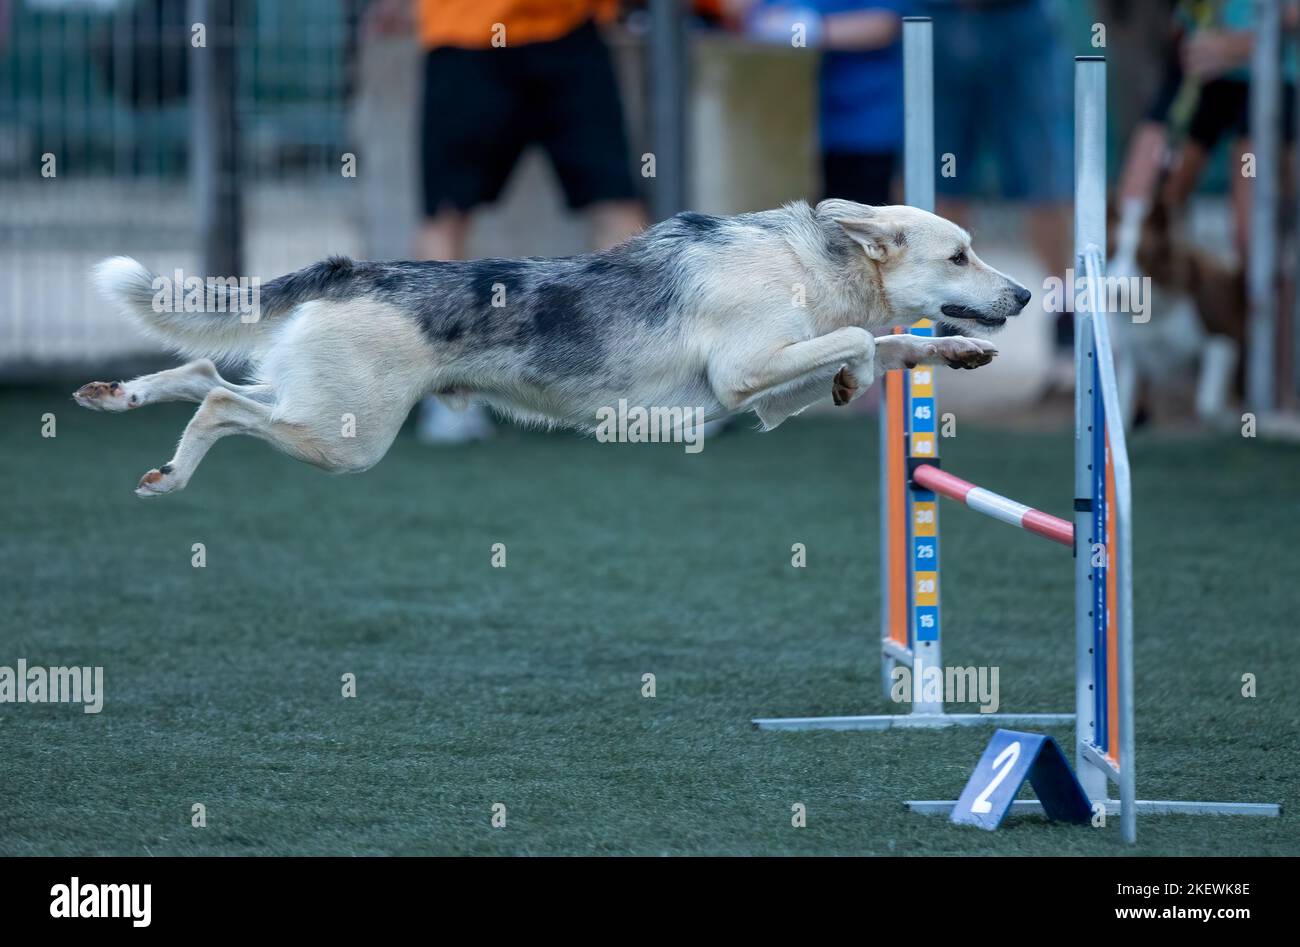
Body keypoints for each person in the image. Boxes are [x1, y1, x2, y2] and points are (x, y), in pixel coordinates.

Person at [413, 0, 646, 442]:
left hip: (571, 30)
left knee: (618, 204)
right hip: (466, 32)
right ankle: (447, 393)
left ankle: (634, 385)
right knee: (445, 213)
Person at [735, 0, 913, 206]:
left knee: (856, 222)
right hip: (786, 128)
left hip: (860, 126)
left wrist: (812, 30)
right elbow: (748, 12)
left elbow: (886, 23)